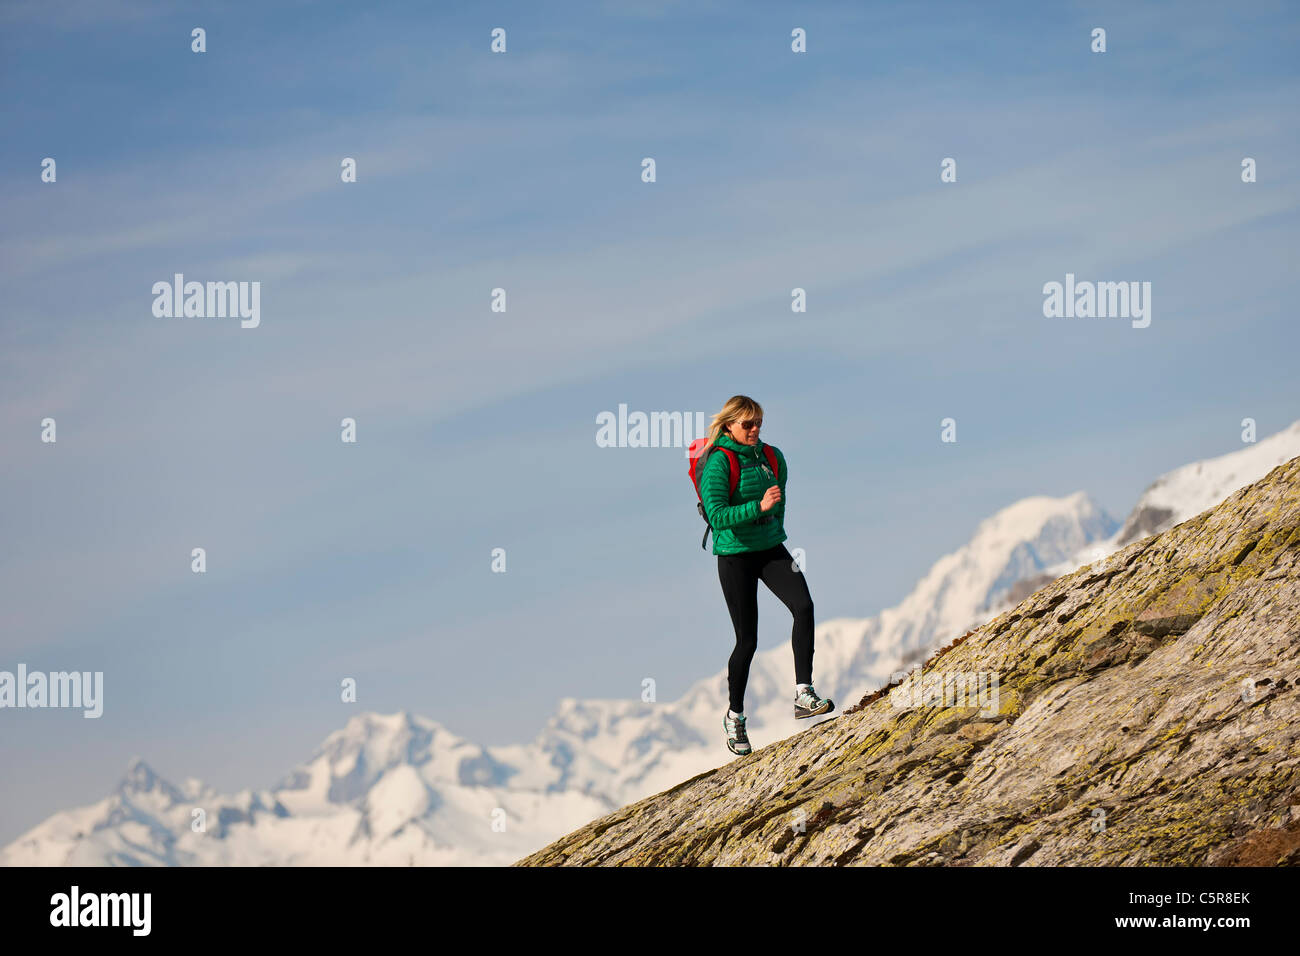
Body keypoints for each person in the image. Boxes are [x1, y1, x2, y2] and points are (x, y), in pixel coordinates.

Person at [696, 395, 833, 757]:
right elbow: (718, 515)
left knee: (804, 607)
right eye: (747, 424)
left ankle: (804, 693)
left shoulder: (772, 457)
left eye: (758, 423)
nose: (755, 430)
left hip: (770, 547)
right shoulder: (718, 463)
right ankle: (735, 716)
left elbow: (781, 498)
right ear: (729, 426)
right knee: (748, 641)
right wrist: (759, 508)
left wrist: (773, 526)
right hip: (734, 556)